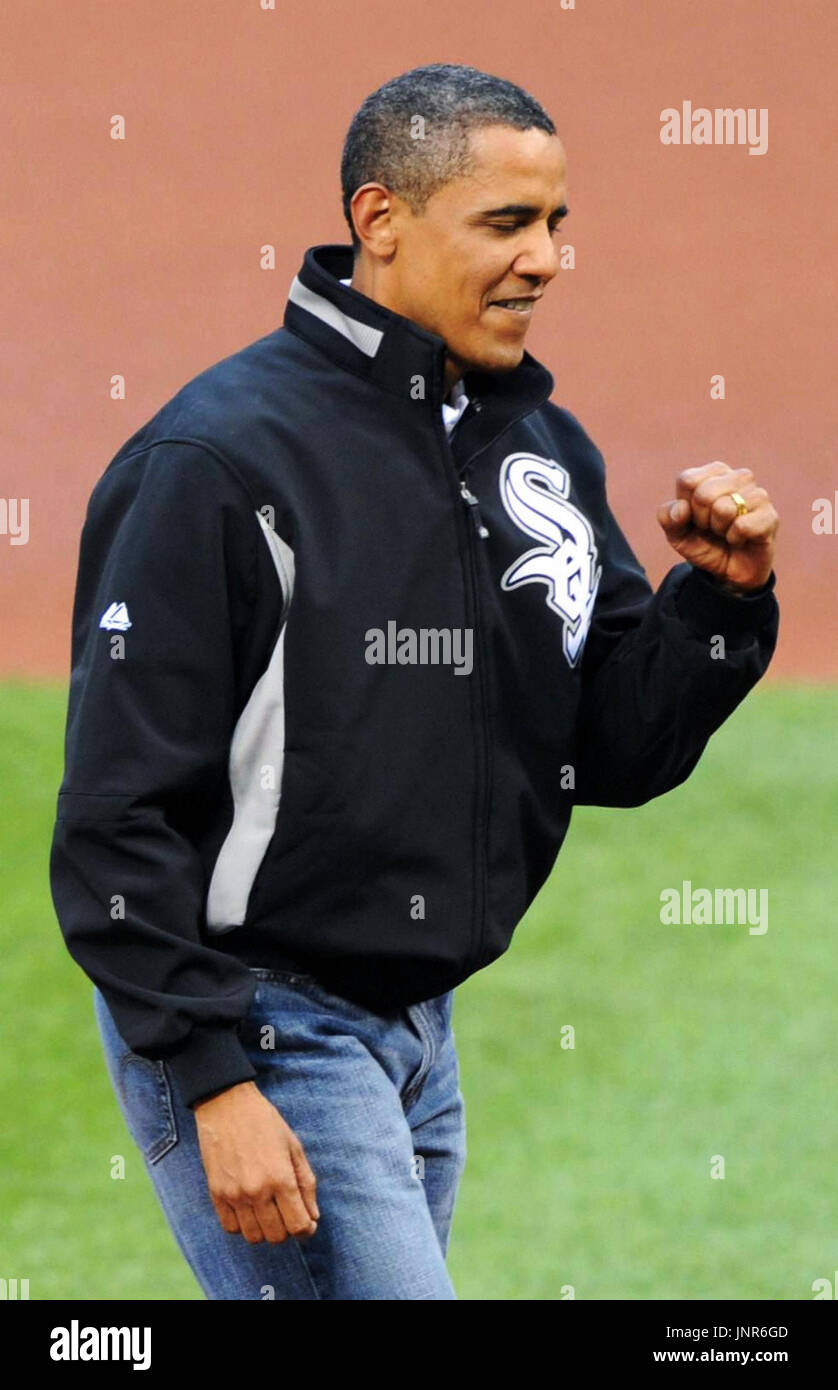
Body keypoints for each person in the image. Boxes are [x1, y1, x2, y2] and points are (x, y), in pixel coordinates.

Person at [49, 62, 780, 1301]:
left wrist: (715, 605)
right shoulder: (220, 458)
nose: (546, 259)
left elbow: (610, 746)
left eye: (555, 224)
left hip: (417, 1035)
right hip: (264, 1026)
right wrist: (214, 1078)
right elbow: (117, 812)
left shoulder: (533, 449)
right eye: (506, 223)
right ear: (380, 220)